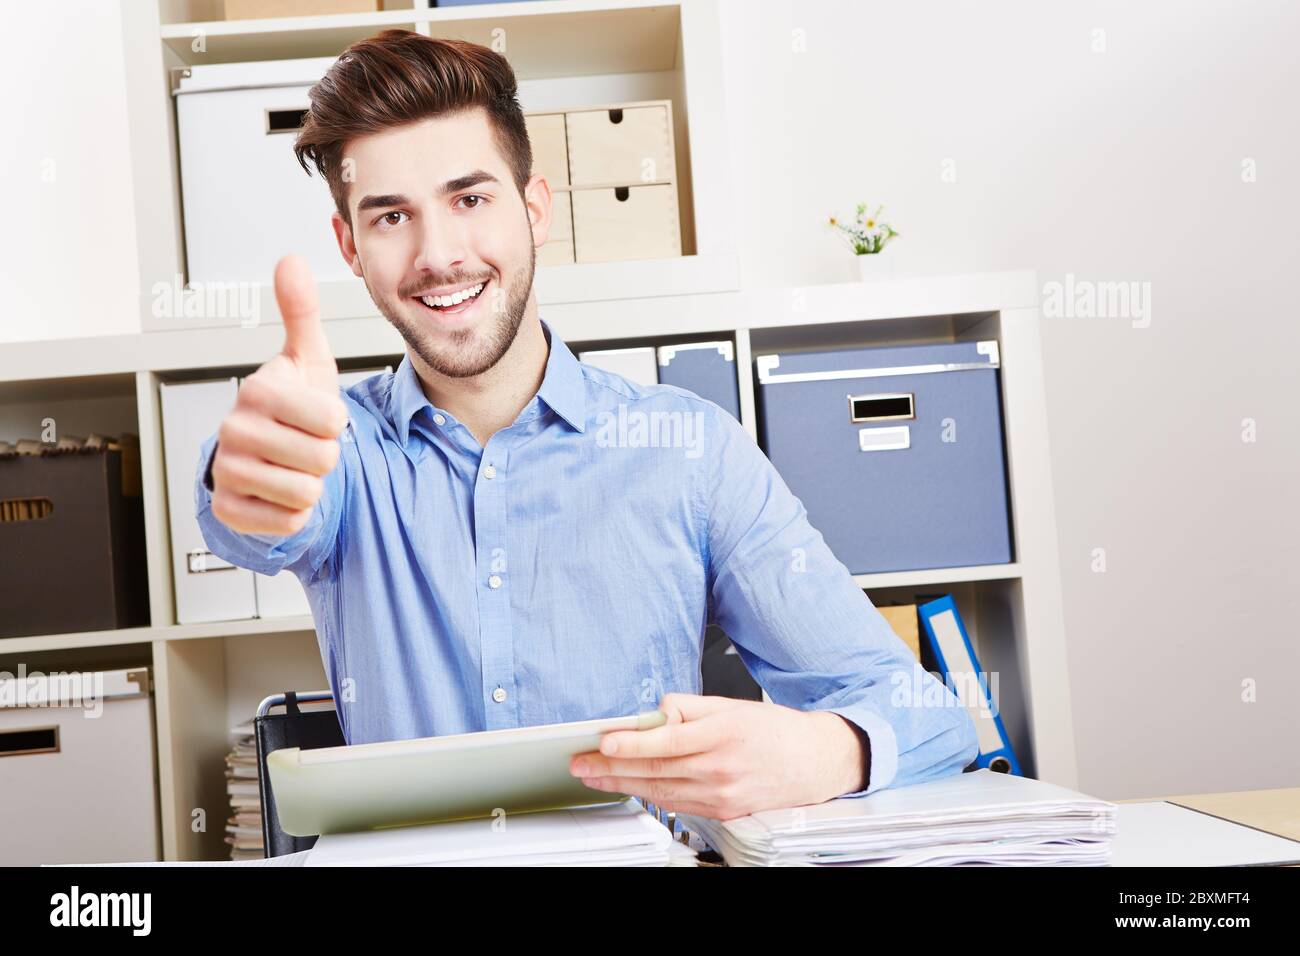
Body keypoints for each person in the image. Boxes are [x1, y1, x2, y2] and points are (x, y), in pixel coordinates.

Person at [196, 29, 977, 821]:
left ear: (536, 209)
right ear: (351, 248)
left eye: (470, 199)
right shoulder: (341, 453)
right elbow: (256, 518)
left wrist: (820, 752)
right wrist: (248, 475)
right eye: (391, 216)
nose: (439, 254)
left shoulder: (692, 452)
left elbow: (925, 714)